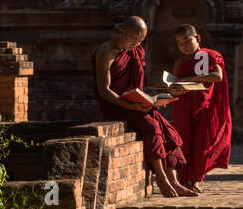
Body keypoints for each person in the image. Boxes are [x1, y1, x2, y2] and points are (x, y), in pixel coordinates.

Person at [93, 16, 197, 198]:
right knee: (152, 127)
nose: (136, 44)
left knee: (168, 131)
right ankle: (162, 178)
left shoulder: (136, 51)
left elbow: (137, 87)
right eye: (133, 39)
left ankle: (174, 181)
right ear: (121, 32)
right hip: (117, 105)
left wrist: (154, 98)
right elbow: (105, 91)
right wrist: (132, 107)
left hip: (136, 103)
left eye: (140, 40)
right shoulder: (106, 53)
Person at [168, 24, 231, 194]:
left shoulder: (208, 55)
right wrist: (174, 88)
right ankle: (182, 180)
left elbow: (217, 76)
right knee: (183, 141)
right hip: (182, 106)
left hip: (204, 106)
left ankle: (194, 179)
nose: (184, 46)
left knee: (201, 143)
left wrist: (188, 79)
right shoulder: (180, 62)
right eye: (179, 43)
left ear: (197, 38)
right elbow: (174, 85)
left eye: (187, 41)